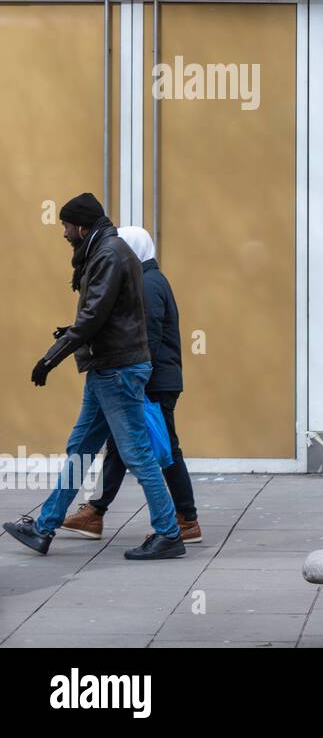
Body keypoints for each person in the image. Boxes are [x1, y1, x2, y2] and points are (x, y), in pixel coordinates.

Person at [2, 193, 184, 560]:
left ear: (81, 227)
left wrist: (50, 358)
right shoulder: (110, 251)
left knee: (137, 453)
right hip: (107, 368)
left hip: (116, 370)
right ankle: (44, 527)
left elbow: (94, 317)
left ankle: (169, 532)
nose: (65, 233)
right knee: (81, 449)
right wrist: (70, 335)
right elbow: (109, 315)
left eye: (67, 227)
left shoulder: (108, 255)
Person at [59, 227, 200, 543]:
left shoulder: (147, 284)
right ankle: (96, 513)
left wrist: (133, 376)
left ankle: (186, 519)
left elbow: (145, 337)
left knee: (163, 447)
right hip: (153, 378)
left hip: (150, 381)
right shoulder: (148, 279)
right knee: (125, 447)